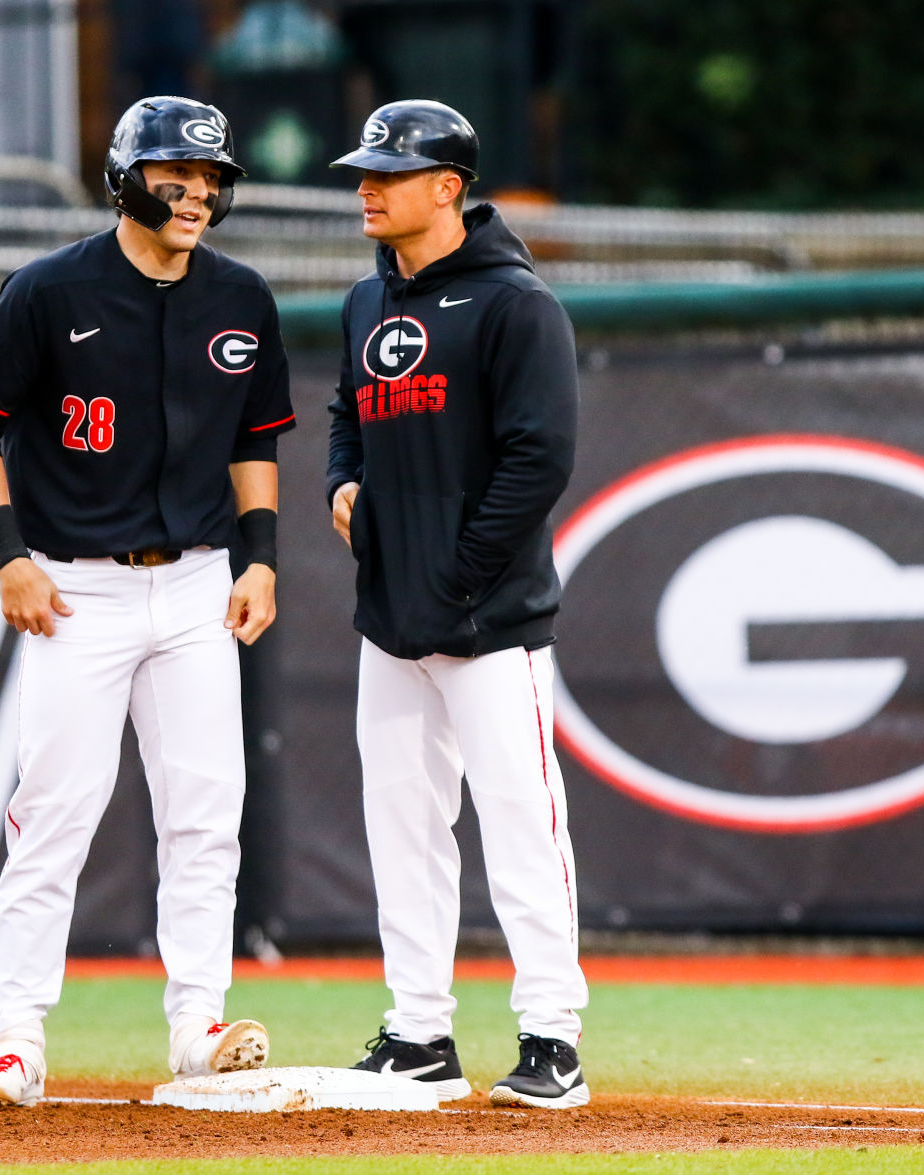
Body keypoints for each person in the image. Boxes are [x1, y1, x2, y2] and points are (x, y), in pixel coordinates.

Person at [0, 95, 295, 1108]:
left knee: (205, 812)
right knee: (52, 813)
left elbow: (253, 442)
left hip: (193, 581)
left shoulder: (241, 297)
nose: (197, 192)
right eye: (175, 174)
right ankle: (17, 1038)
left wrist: (259, 558)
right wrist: (7, 556)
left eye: (211, 177)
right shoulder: (49, 290)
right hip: (74, 589)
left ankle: (198, 1023)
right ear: (125, 177)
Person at [325, 99, 590, 1109]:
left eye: (387, 174)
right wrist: (339, 485)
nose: (366, 188)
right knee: (402, 822)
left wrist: (461, 571)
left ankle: (550, 1037)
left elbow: (539, 459)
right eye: (364, 172)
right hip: (389, 616)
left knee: (522, 822)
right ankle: (418, 1026)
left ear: (447, 186)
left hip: (490, 620)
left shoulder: (517, 305)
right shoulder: (363, 302)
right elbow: (347, 418)